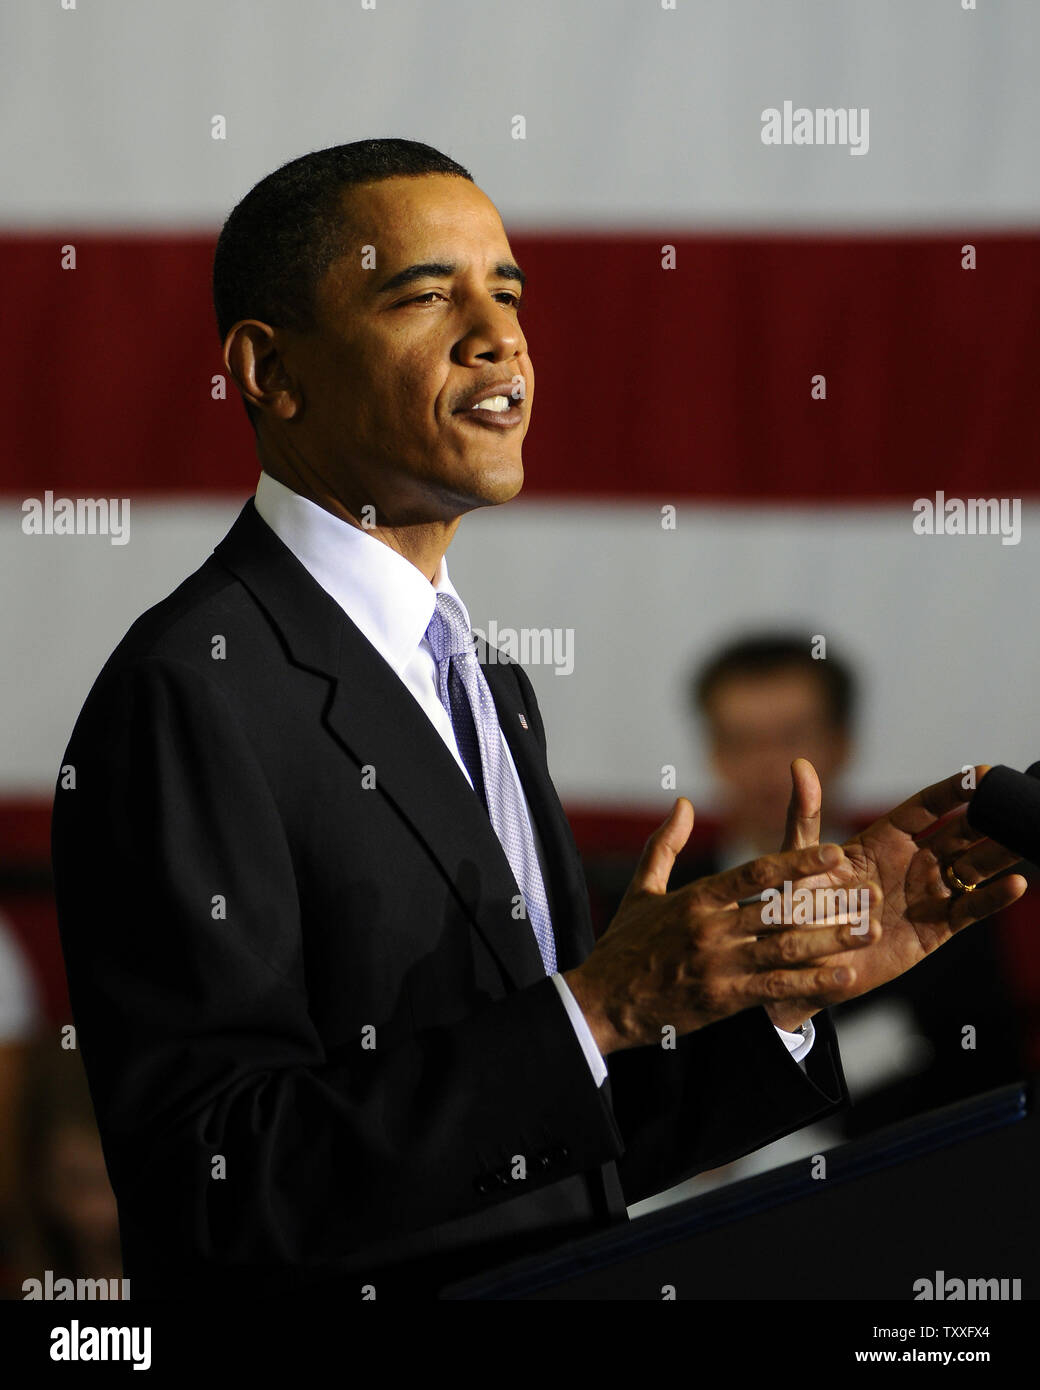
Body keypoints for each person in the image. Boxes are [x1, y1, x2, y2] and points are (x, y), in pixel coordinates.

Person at [50, 139, 1026, 1301]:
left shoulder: (484, 683)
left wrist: (776, 992)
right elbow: (216, 1182)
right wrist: (602, 1000)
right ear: (269, 369)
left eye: (506, 292)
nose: (497, 335)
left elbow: (564, 1145)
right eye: (423, 295)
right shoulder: (194, 687)